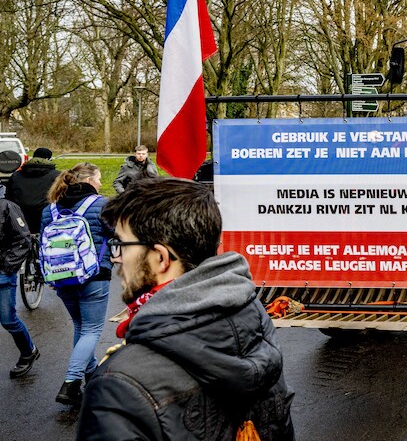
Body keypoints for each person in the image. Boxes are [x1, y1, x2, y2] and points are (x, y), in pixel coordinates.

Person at [78, 177, 294, 438]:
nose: (116, 258)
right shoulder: (252, 318)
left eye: (121, 245)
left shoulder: (118, 386)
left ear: (161, 258)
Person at [42, 162, 112, 407]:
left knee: (81, 327)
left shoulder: (50, 209)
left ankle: (91, 376)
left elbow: (43, 243)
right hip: (94, 276)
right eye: (99, 178)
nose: (101, 183)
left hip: (61, 277)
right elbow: (117, 233)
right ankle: (71, 384)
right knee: (92, 330)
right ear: (90, 180)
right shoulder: (102, 204)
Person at [1, 194, 37, 377]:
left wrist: (7, 268)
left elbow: (23, 240)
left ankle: (28, 352)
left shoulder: (7, 206)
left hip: (2, 274)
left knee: (8, 320)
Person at [6, 146, 60, 236]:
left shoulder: (16, 175)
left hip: (19, 218)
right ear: (49, 159)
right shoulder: (57, 176)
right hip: (46, 218)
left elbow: (8, 197)